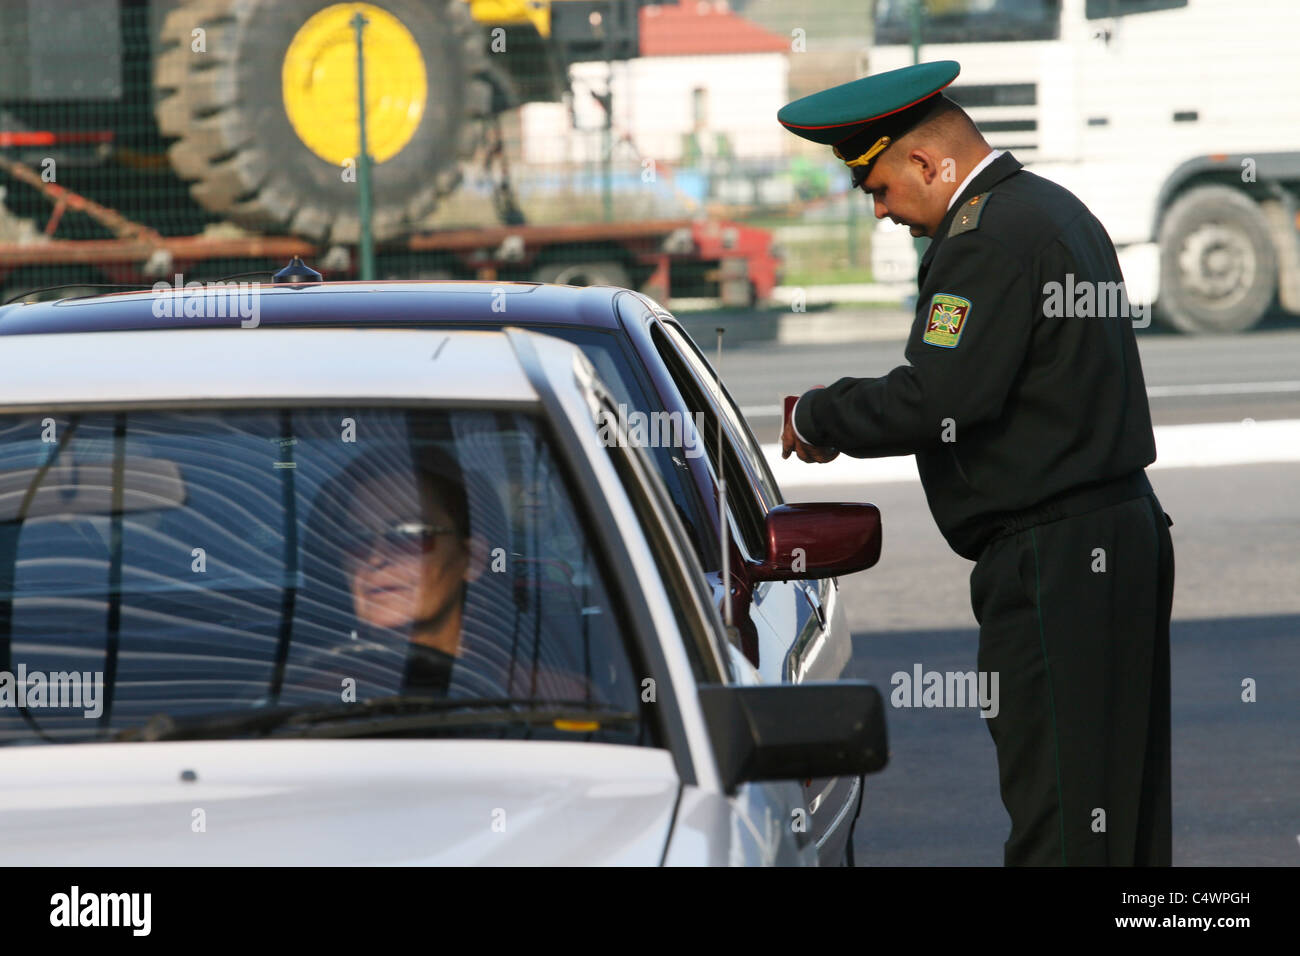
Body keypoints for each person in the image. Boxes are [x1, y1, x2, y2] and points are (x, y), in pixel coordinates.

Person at [776, 61, 1175, 866]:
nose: (885, 213)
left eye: (881, 189)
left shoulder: (984, 238)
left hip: (1054, 557)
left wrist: (820, 413)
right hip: (1111, 534)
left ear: (927, 163)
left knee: (1061, 821)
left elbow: (938, 399)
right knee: (1117, 816)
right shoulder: (1049, 209)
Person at [317, 447, 486, 696]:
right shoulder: (309, 697)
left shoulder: (533, 695)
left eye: (408, 534)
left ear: (473, 559)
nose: (375, 557)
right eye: (356, 540)